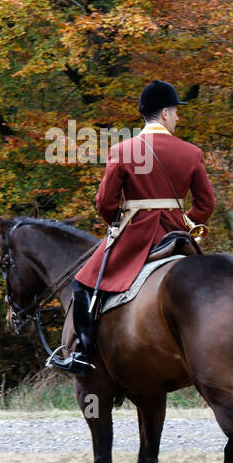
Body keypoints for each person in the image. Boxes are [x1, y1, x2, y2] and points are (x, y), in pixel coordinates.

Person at [49, 81, 215, 375]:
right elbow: (206, 205)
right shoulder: (192, 153)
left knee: (82, 283)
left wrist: (119, 221)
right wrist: (185, 221)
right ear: (164, 113)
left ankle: (84, 355)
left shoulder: (122, 151)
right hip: (177, 235)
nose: (177, 118)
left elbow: (104, 202)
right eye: (176, 112)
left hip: (136, 235)